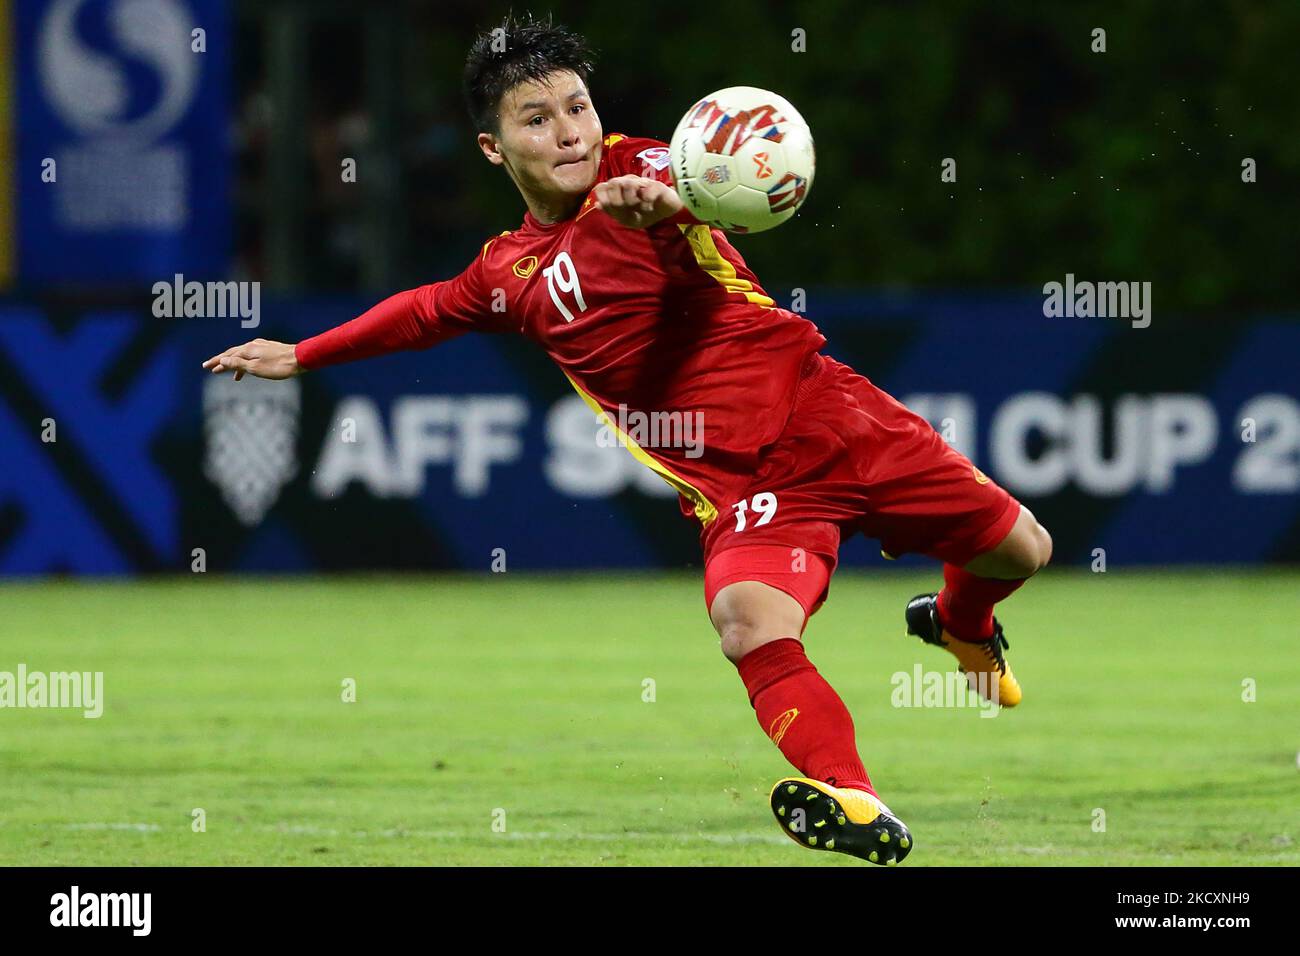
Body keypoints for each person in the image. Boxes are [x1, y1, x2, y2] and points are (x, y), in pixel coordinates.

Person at [203, 13, 1052, 866]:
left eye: (578, 107)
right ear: (494, 149)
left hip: (829, 414)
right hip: (740, 487)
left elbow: (708, 187)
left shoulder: (646, 165)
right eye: (537, 119)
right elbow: (425, 311)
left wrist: (668, 205)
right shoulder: (509, 274)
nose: (570, 131)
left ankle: (957, 620)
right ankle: (856, 798)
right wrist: (303, 354)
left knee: (1024, 548)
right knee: (748, 624)